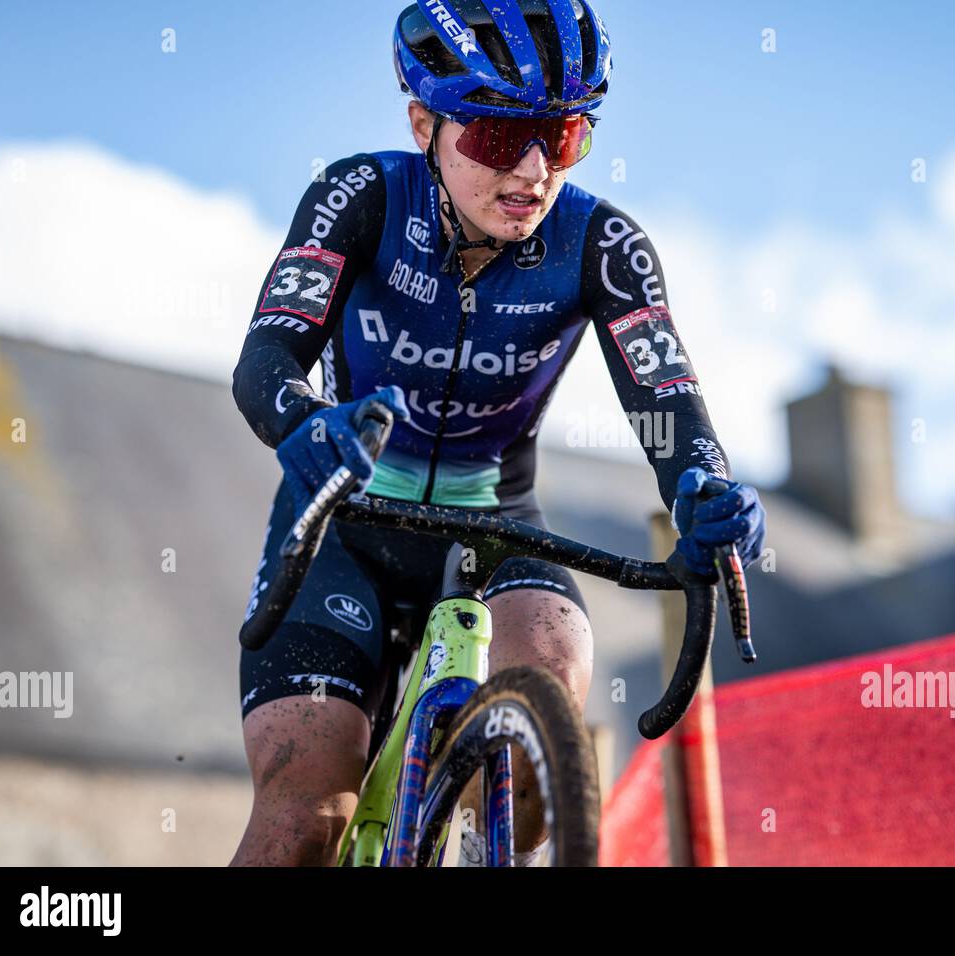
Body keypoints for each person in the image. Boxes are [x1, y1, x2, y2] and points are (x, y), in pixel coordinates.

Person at [229, 0, 765, 866]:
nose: (528, 172)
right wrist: (302, 422)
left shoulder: (602, 244)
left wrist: (703, 482)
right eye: (492, 138)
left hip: (495, 525)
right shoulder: (358, 196)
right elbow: (266, 357)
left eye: (559, 137)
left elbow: (666, 396)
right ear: (422, 124)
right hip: (343, 526)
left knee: (542, 721)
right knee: (306, 814)